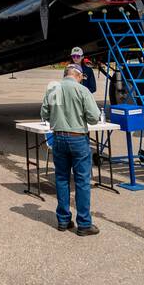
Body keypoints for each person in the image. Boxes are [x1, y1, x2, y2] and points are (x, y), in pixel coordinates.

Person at [40, 64, 101, 235]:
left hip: (58, 138)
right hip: (78, 138)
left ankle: (63, 220)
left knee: (61, 178)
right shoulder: (82, 90)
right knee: (82, 181)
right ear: (79, 76)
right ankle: (84, 224)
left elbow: (44, 113)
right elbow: (94, 117)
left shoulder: (53, 90)